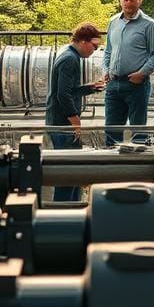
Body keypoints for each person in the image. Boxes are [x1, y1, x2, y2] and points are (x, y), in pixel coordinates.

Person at [45, 22, 105, 201]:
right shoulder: (70, 59)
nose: (94, 51)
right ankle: (64, 214)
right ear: (84, 41)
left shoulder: (68, 54)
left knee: (74, 175)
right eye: (94, 47)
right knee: (68, 175)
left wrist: (89, 88)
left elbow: (68, 90)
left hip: (60, 122)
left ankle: (73, 209)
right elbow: (62, 95)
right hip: (63, 124)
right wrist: (75, 120)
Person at [102, 0, 154, 145]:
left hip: (136, 86)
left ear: (140, 0)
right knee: (111, 132)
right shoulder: (113, 22)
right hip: (113, 85)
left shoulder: (148, 24)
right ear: (120, 0)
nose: (128, 2)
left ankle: (137, 169)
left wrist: (141, 73)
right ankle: (113, 166)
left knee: (138, 133)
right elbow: (108, 51)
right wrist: (106, 70)